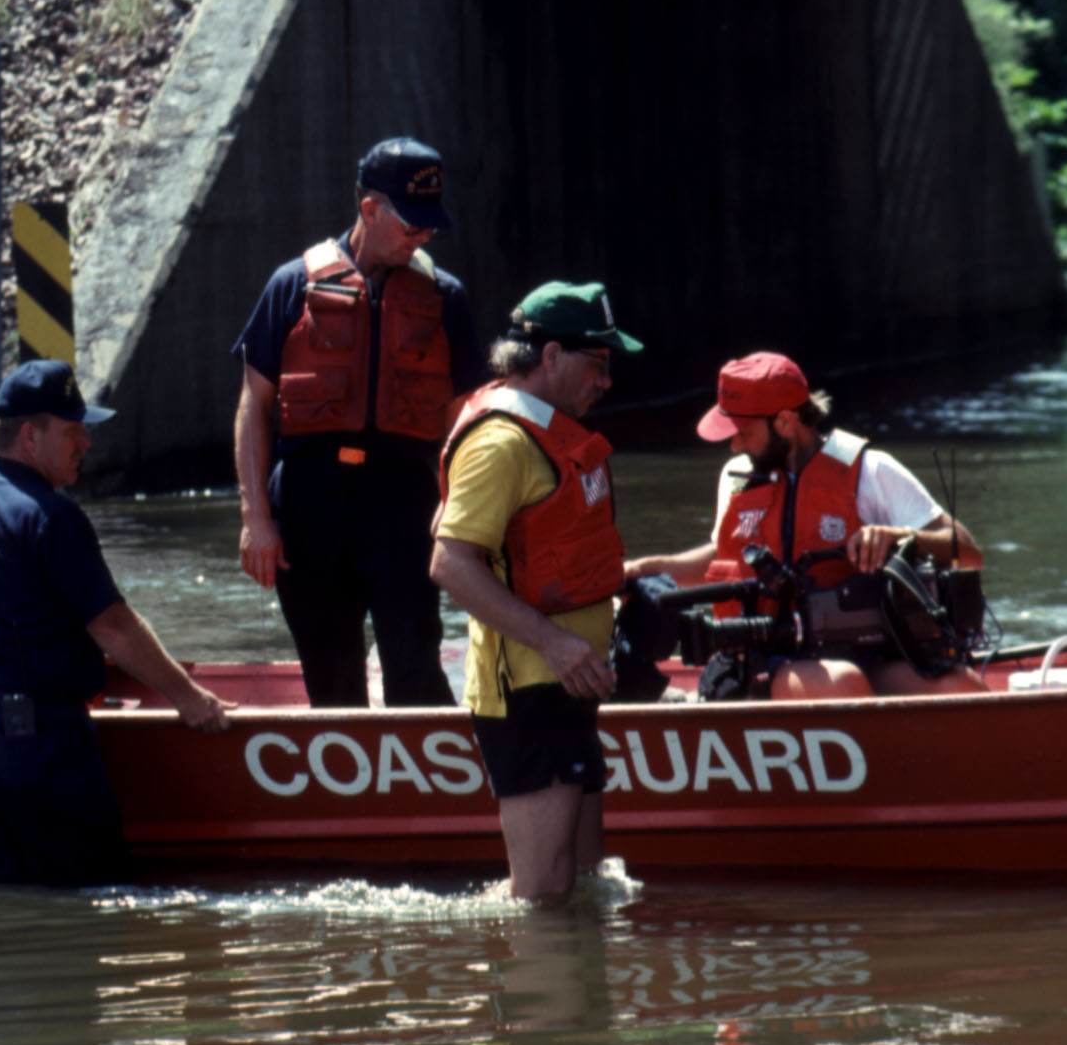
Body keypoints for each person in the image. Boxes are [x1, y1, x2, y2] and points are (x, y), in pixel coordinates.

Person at [0, 359, 231, 883]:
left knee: (3, 895)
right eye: (72, 431)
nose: (85, 442)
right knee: (93, 897)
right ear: (30, 438)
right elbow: (113, 628)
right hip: (36, 746)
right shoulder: (53, 519)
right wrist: (190, 698)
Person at [233, 137, 485, 709]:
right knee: (331, 676)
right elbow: (254, 409)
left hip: (404, 502)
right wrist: (255, 519)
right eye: (412, 224)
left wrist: (468, 516)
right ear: (371, 210)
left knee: (415, 664)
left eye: (429, 227)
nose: (423, 236)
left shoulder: (446, 299)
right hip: (308, 505)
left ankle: (429, 790)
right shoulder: (289, 286)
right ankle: (351, 792)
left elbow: (467, 423)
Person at [430, 281, 643, 902]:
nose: (605, 381)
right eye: (596, 364)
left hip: (569, 683)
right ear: (550, 357)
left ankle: (579, 997)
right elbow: (448, 562)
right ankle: (532, 996)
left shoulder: (551, 432)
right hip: (528, 691)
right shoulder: (500, 442)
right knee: (543, 898)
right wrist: (554, 643)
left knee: (586, 881)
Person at [625, 350, 985, 699]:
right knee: (841, 683)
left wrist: (899, 536)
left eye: (743, 431)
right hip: (766, 659)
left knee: (963, 687)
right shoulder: (735, 477)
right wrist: (643, 568)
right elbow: (725, 557)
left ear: (784, 421)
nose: (734, 444)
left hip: (864, 652)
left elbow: (968, 553)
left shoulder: (873, 471)